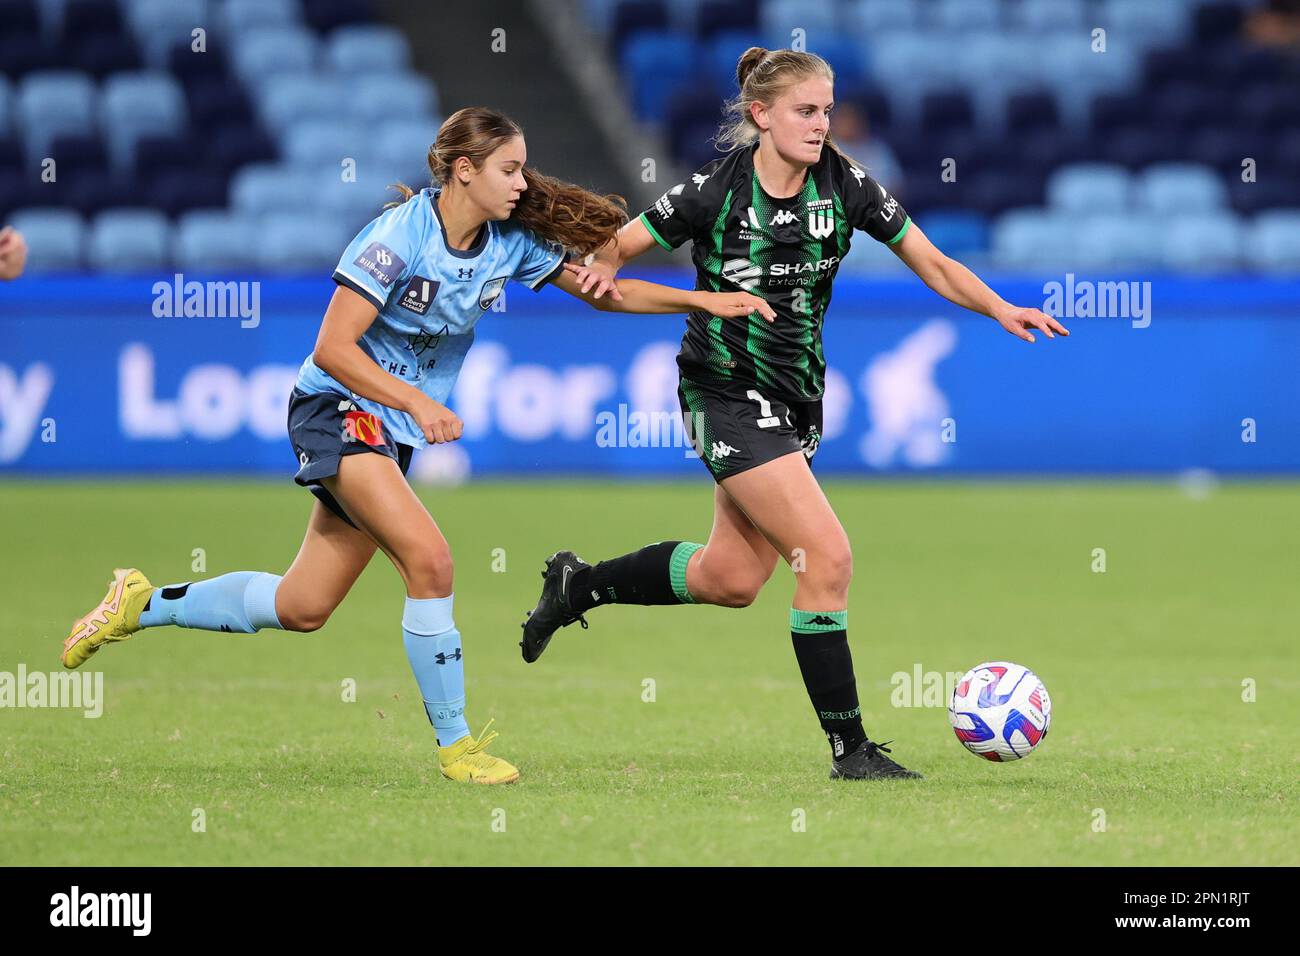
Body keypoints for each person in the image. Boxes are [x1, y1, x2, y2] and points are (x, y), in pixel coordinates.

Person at [60, 106, 772, 786]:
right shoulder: (397, 238)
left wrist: (703, 300)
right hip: (336, 408)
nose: (522, 183)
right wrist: (418, 402)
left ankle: (141, 603)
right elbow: (333, 349)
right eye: (509, 169)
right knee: (431, 560)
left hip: (386, 430)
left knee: (303, 605)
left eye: (523, 169)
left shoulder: (509, 242)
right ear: (464, 170)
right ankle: (457, 747)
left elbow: (603, 293)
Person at [521, 49, 1068, 781]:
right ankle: (852, 751)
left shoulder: (847, 185)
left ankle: (578, 586)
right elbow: (614, 258)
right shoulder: (713, 192)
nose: (821, 125)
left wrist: (1000, 307)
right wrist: (620, 270)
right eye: (805, 111)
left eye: (826, 111)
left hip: (797, 399)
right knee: (827, 557)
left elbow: (933, 263)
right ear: (762, 115)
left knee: (731, 578)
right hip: (722, 391)